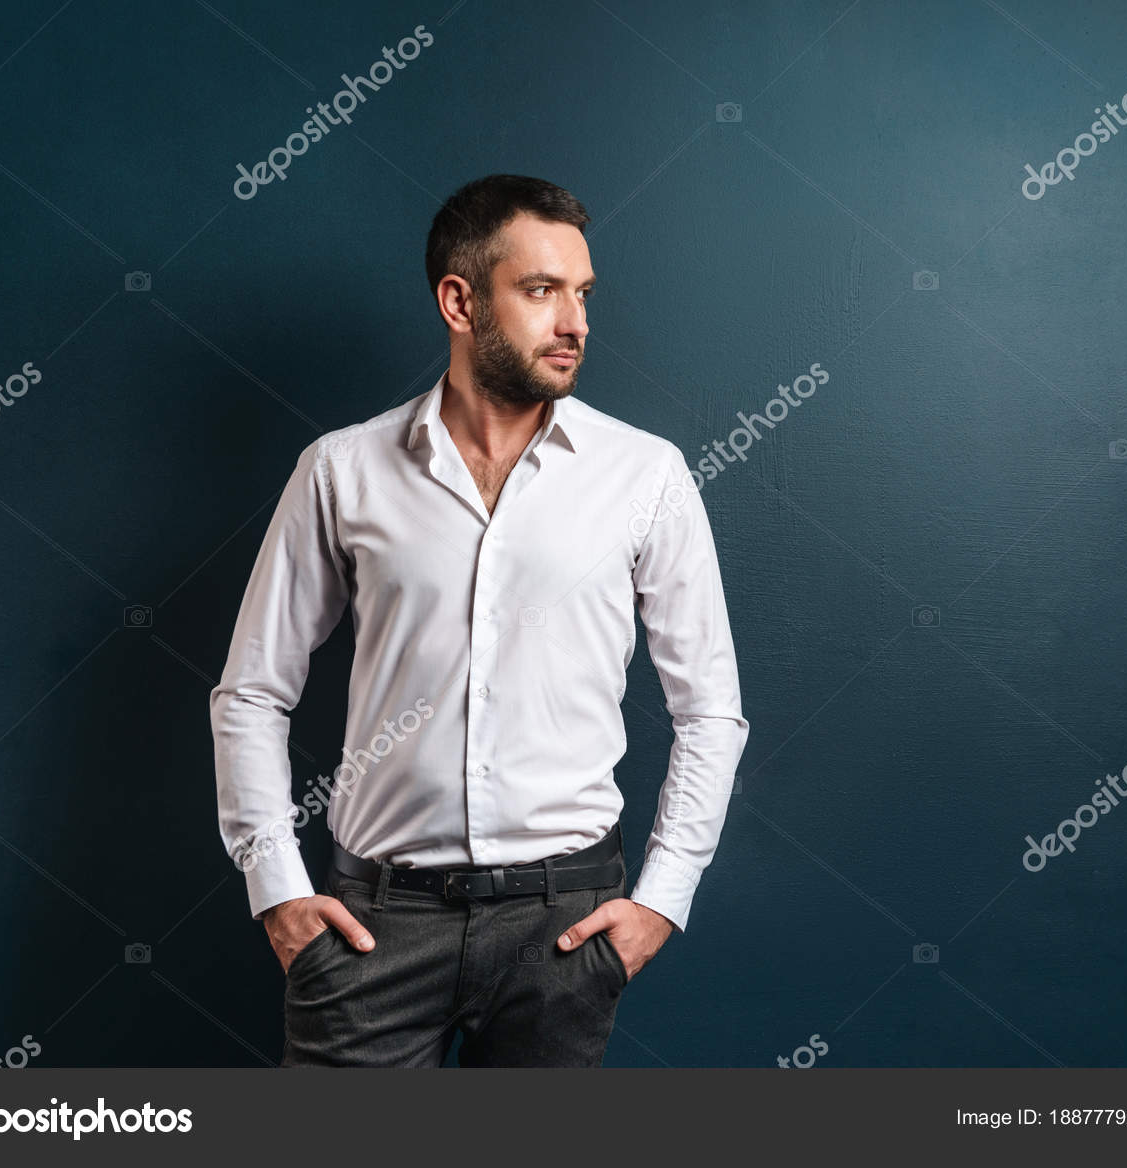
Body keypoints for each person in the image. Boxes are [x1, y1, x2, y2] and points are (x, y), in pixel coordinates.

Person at [210, 174, 749, 1067]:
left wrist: (661, 901)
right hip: (375, 928)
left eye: (581, 294)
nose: (575, 322)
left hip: (565, 933)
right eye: (542, 291)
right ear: (460, 301)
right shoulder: (342, 471)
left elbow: (710, 712)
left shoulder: (646, 476)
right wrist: (276, 891)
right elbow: (252, 693)